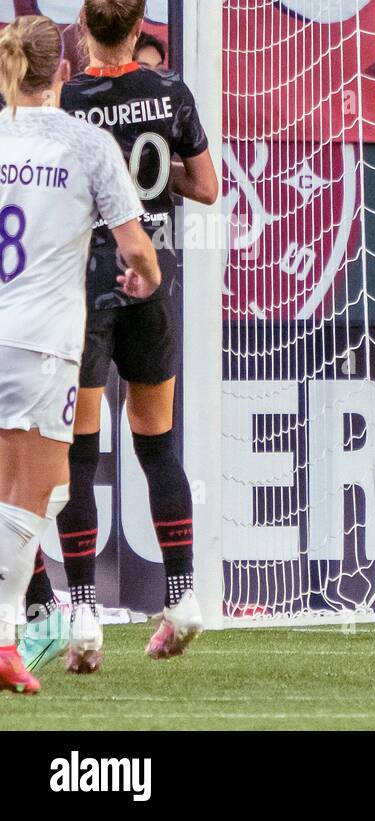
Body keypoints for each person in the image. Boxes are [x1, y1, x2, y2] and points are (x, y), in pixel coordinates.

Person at [17, 0, 217, 675]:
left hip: (83, 290)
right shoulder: (169, 91)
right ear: (140, 28)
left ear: (82, 29)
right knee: (158, 445)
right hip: (152, 282)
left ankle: (81, 613)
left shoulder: (67, 102)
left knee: (78, 456)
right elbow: (209, 187)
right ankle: (183, 597)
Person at [0, 14, 158, 693]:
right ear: (63, 73)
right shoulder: (86, 143)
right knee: (41, 489)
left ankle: (9, 637)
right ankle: (2, 635)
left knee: (27, 488)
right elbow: (137, 248)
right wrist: (143, 279)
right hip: (42, 340)